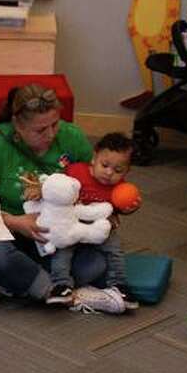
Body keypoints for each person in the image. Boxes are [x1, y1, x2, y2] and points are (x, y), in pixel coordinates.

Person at [0, 84, 99, 309]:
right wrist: (16, 222)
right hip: (9, 232)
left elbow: (96, 185)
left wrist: (107, 210)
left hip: (56, 237)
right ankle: (49, 289)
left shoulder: (72, 137)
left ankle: (6, 282)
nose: (51, 134)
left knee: (95, 264)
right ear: (17, 126)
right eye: (40, 130)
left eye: (55, 124)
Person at [50, 132, 141, 312]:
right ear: (94, 158)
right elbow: (56, 188)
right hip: (72, 224)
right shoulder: (75, 171)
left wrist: (127, 209)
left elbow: (119, 208)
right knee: (62, 250)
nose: (109, 173)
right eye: (105, 165)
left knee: (115, 248)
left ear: (127, 171)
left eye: (118, 170)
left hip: (98, 228)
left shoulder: (121, 188)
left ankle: (119, 285)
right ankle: (61, 285)